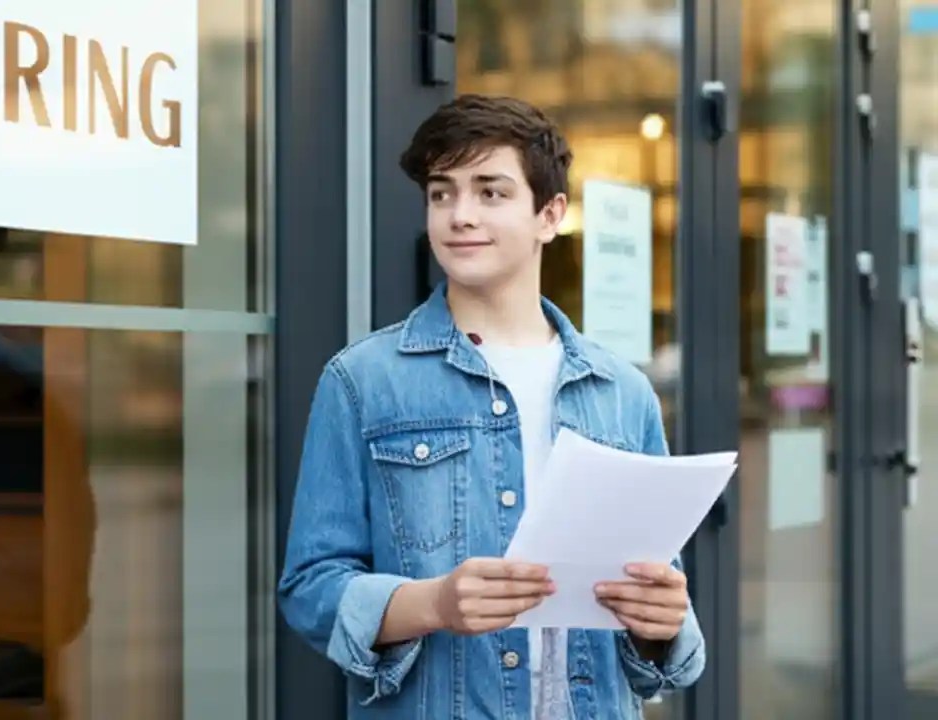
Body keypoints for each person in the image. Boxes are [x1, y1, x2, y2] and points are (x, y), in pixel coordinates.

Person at [277, 94, 704, 719]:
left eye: (490, 192)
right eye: (442, 193)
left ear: (549, 214)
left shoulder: (622, 393)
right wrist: (435, 605)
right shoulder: (362, 381)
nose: (459, 215)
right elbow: (310, 588)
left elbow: (660, 606)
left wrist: (662, 621)